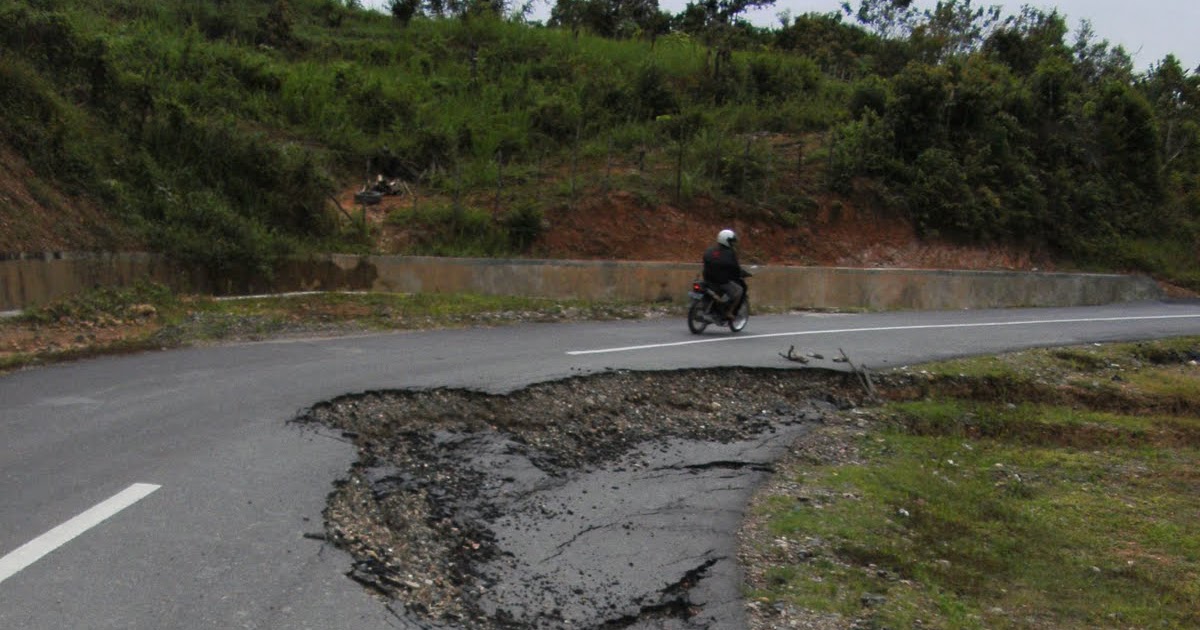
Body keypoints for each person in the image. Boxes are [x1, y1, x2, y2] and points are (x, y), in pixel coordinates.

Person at [702, 228, 744, 321]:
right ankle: (729, 312)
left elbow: (705, 260)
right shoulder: (729, 253)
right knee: (739, 290)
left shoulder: (710, 250)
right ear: (726, 240)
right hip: (721, 282)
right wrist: (739, 274)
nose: (732, 244)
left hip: (708, 279)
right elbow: (735, 268)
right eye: (731, 241)